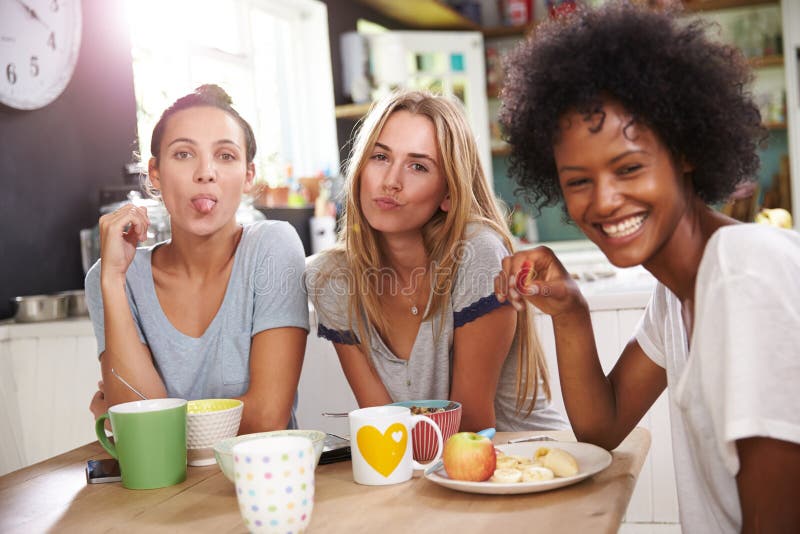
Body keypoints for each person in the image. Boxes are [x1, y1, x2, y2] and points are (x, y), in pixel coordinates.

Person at [494, 4, 800, 532]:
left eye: (629, 167)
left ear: (684, 152)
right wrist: (569, 308)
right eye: (578, 180)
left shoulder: (744, 272)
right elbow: (602, 428)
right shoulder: (678, 291)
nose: (605, 200)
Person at [305, 90, 567, 432]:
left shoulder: (476, 254)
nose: (390, 182)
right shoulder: (331, 278)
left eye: (418, 166)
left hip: (529, 463)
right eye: (380, 157)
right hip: (429, 470)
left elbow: (471, 430)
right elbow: (385, 429)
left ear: (448, 192)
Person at [86, 84, 309, 432]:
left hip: (261, 483)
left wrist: (145, 421)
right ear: (155, 173)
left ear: (249, 176)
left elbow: (266, 418)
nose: (206, 172)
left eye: (225, 156)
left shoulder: (272, 247)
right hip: (159, 489)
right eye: (184, 154)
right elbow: (142, 434)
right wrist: (113, 280)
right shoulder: (116, 278)